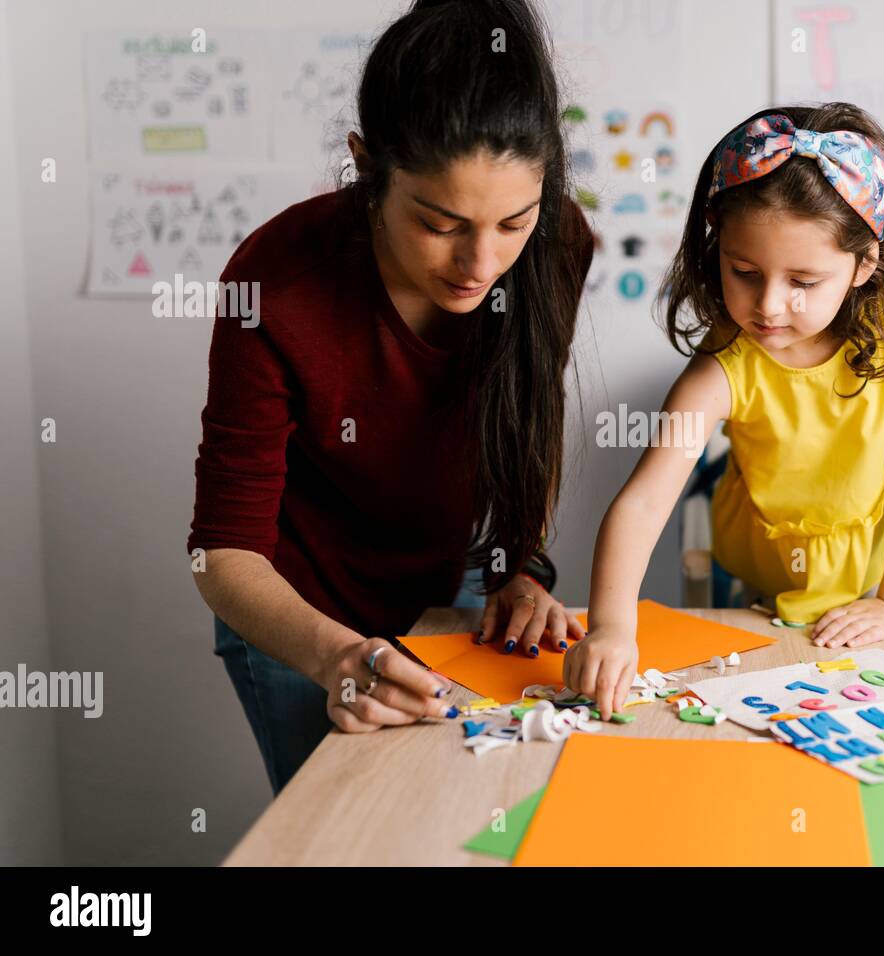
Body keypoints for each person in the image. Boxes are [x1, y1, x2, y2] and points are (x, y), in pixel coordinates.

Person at [187, 0, 591, 795]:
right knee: (340, 834)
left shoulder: (558, 244)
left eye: (513, 222)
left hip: (457, 588)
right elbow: (221, 552)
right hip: (297, 613)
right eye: (440, 223)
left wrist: (520, 568)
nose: (482, 261)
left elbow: (526, 424)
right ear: (367, 167)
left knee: (470, 817)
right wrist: (338, 654)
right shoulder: (275, 281)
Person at [566, 104, 884, 720]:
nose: (770, 304)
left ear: (863, 266)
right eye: (744, 272)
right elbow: (643, 501)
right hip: (766, 583)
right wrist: (612, 627)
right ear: (717, 245)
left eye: (803, 280)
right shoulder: (723, 367)